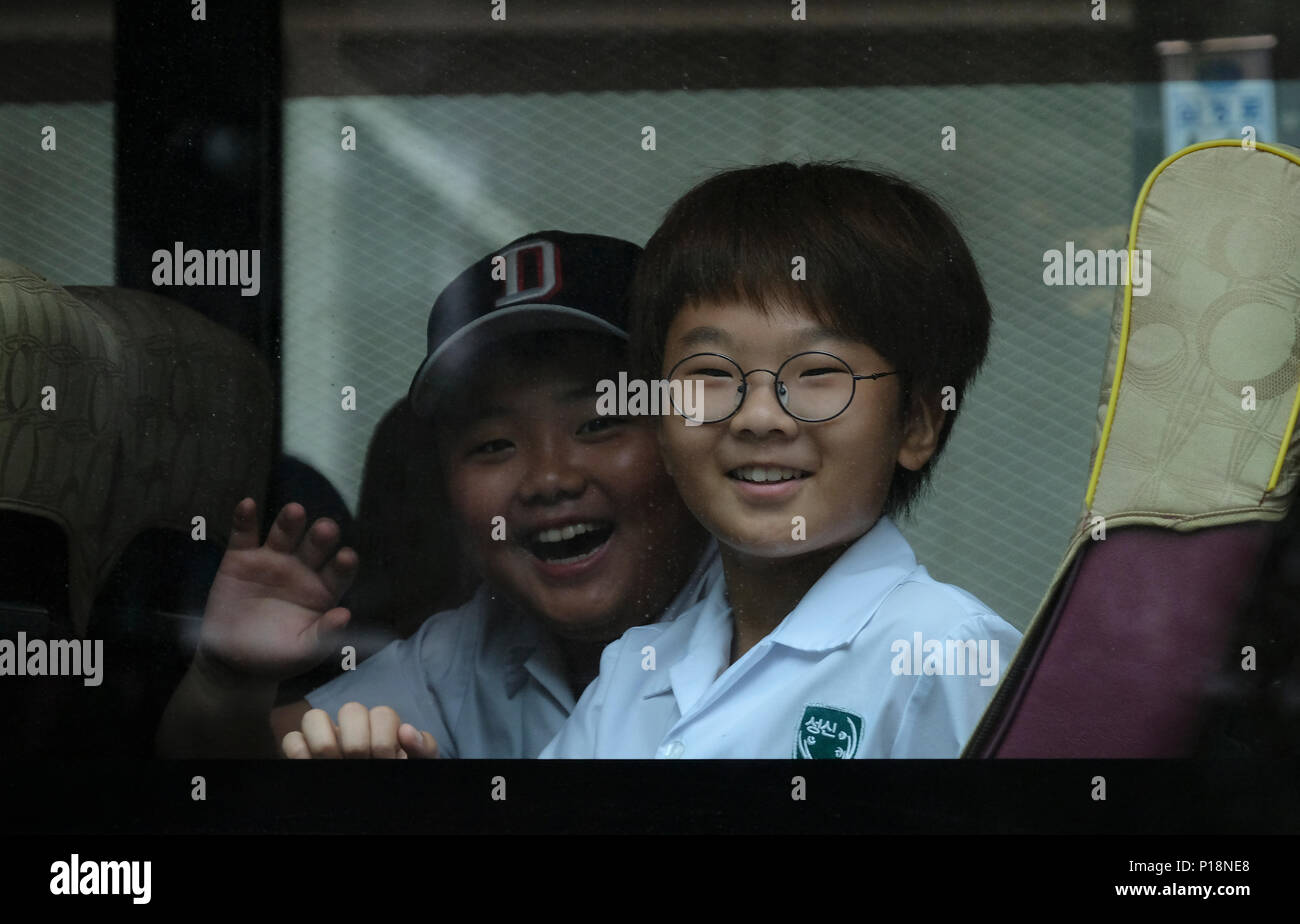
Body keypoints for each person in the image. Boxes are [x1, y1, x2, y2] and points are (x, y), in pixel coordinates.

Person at [157, 231, 714, 759]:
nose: (549, 478)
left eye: (598, 424)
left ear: (689, 432)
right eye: (494, 444)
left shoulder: (763, 621)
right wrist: (226, 681)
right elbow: (220, 771)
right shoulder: (468, 654)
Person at [541, 162, 1022, 759]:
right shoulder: (633, 677)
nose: (759, 416)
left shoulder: (947, 653)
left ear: (917, 423)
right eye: (711, 374)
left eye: (819, 372)